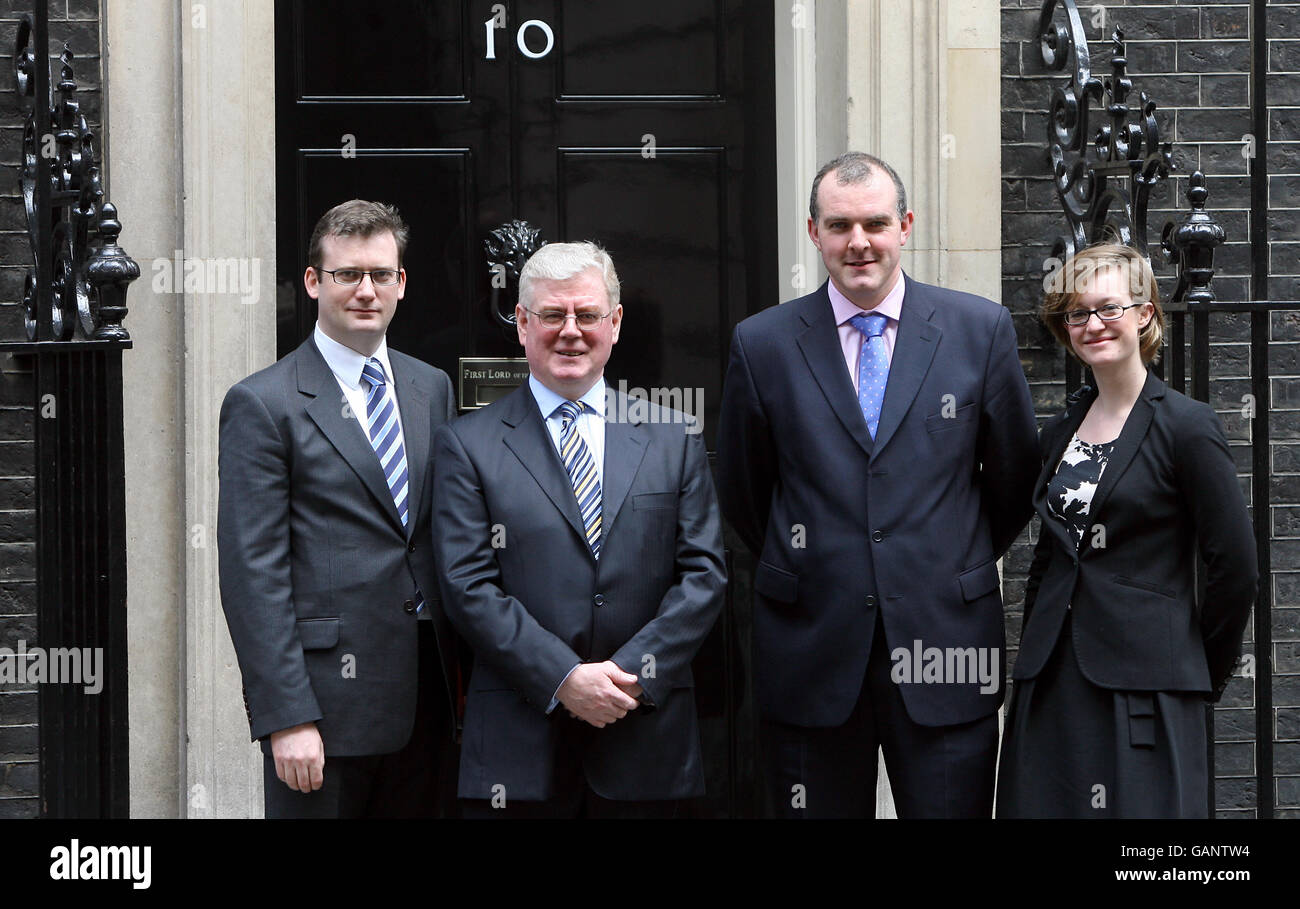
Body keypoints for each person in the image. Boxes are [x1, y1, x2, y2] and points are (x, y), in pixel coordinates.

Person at [715, 152, 1039, 818]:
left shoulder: (979, 330)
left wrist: (945, 552)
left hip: (944, 643)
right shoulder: (763, 343)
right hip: (811, 648)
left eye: (874, 223)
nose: (857, 242)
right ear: (813, 232)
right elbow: (745, 493)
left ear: (905, 224)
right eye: (838, 225)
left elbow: (1013, 481)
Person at [432, 241, 726, 818]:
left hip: (646, 742)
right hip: (519, 750)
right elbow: (467, 585)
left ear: (614, 324)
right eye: (551, 315)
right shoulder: (467, 445)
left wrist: (631, 675)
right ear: (521, 324)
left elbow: (705, 574)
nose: (571, 331)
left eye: (587, 314)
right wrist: (563, 678)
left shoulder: (674, 437)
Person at [217, 199, 461, 818]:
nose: (365, 290)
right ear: (312, 282)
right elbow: (254, 573)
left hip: (431, 700)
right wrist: (286, 717)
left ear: (401, 284)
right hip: (324, 714)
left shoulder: (430, 387)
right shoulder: (263, 403)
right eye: (346, 274)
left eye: (381, 274)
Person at [997, 243, 1257, 818]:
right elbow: (1052, 556)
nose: (1093, 324)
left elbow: (1235, 568)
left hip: (1147, 687)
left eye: (1109, 308)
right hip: (1053, 681)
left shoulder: (1187, 427)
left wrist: (1192, 667)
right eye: (1077, 312)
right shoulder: (1062, 429)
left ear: (1145, 314)